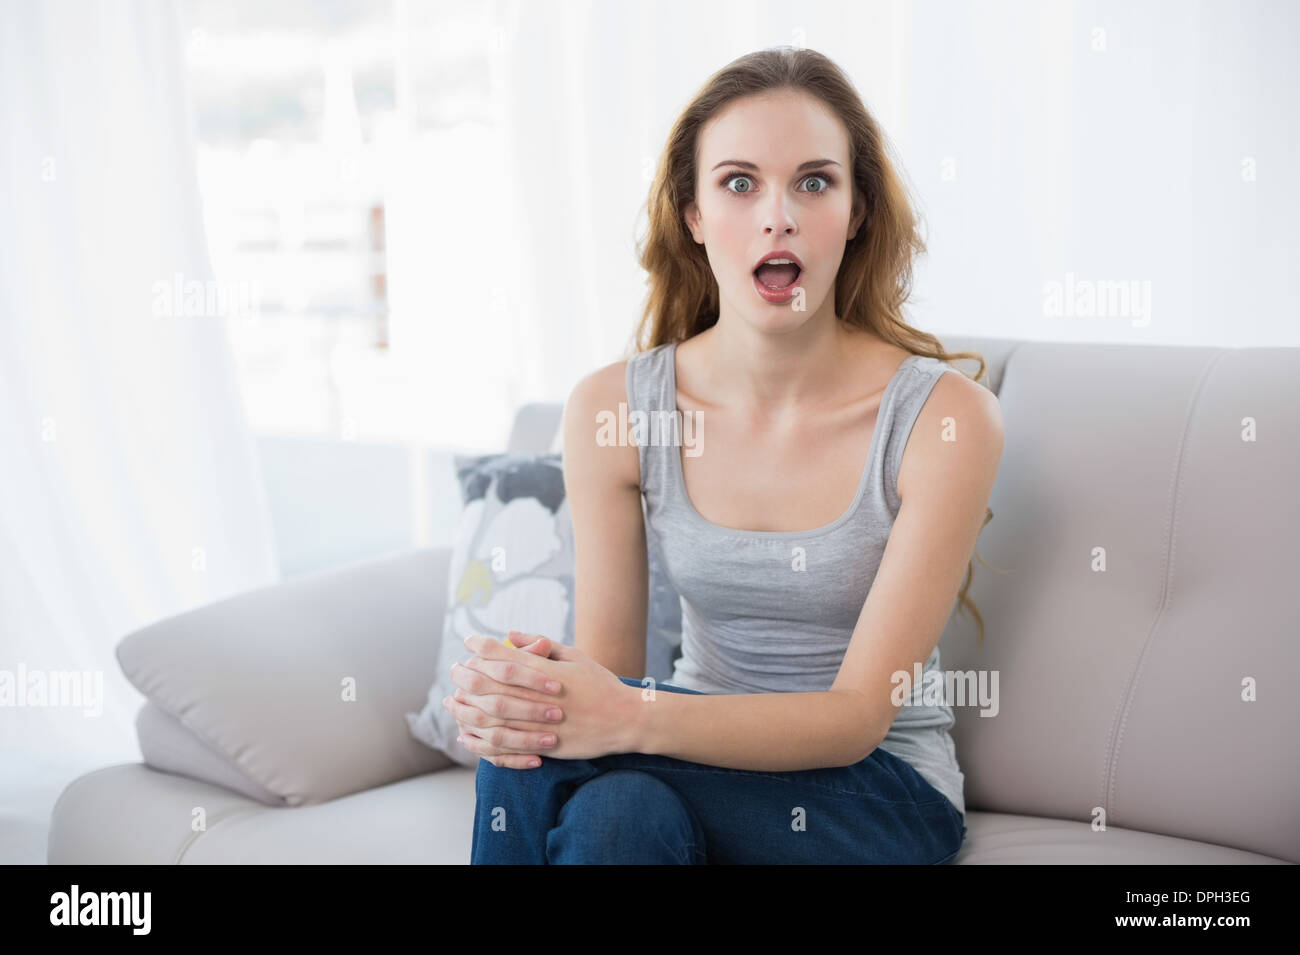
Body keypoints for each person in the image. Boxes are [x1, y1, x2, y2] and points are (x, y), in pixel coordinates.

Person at [445, 46, 1004, 864]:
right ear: (694, 215)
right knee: (612, 816)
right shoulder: (614, 410)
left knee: (542, 740)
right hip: (682, 762)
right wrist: (535, 695)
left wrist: (606, 714)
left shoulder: (943, 420)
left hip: (874, 791)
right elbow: (608, 675)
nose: (777, 214)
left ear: (856, 212)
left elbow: (855, 716)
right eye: (739, 183)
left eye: (814, 182)